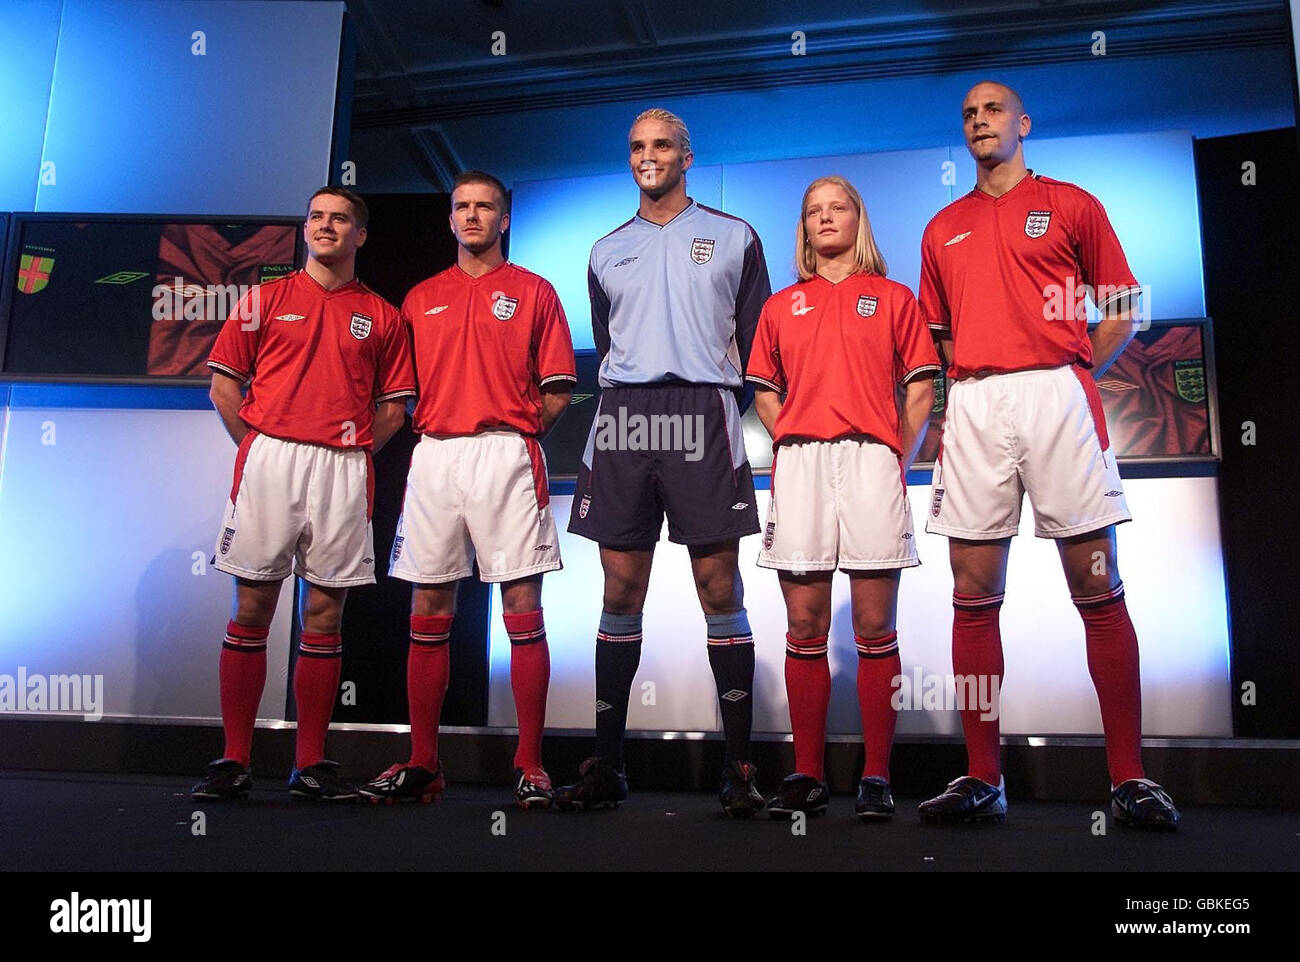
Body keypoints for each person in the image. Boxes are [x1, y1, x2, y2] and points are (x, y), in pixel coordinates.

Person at [916, 81, 1180, 828]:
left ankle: (1128, 778)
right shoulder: (943, 227)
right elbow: (940, 338)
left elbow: (1123, 306)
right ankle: (982, 777)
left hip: (1058, 396)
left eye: (992, 110)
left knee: (1096, 582)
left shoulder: (1071, 204)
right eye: (968, 114)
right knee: (971, 591)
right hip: (973, 401)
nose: (979, 121)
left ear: (1023, 123)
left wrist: (1069, 367)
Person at [558, 108, 772, 817]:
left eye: (661, 146)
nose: (648, 156)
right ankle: (607, 765)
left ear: (686, 155)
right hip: (624, 415)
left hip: (703, 411)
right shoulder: (603, 249)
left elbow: (756, 346)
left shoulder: (735, 236)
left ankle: (738, 768)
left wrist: (717, 415)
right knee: (619, 589)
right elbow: (608, 339)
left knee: (718, 583)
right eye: (636, 147)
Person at [191, 187, 415, 801]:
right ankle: (234, 759)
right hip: (271, 460)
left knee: (324, 614)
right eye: (316, 216)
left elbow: (395, 407)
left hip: (344, 467)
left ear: (359, 235)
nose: (324, 226)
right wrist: (262, 445)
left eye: (339, 218)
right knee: (254, 607)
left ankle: (309, 763)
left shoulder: (385, 315)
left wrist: (351, 450)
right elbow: (223, 388)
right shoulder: (264, 298)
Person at [360, 170, 576, 808]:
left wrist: (513, 430)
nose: (473, 216)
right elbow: (397, 391)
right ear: (450, 219)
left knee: (522, 604)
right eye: (462, 207)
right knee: (429, 606)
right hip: (435, 456)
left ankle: (530, 764)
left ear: (504, 219)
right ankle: (424, 761)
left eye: (486, 207)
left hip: (507, 454)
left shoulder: (535, 292)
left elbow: (558, 387)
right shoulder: (420, 297)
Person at [748, 175, 940, 820]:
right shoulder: (781, 305)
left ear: (859, 219)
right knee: (804, 626)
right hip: (800, 463)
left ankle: (878, 775)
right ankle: (806, 773)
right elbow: (765, 391)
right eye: (813, 212)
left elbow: (919, 390)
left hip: (871, 461)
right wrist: (798, 436)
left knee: (874, 628)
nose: (825, 218)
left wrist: (895, 454)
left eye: (838, 208)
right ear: (802, 228)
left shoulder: (894, 298)